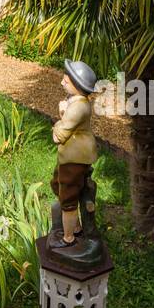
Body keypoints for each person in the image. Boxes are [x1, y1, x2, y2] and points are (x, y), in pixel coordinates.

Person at [51, 59, 98, 247]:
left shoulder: (78, 107)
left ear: (77, 86)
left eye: (66, 81)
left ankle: (68, 238)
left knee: (68, 198)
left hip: (75, 158)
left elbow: (59, 136)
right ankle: (76, 226)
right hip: (69, 156)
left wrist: (61, 114)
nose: (62, 82)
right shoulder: (76, 101)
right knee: (57, 185)